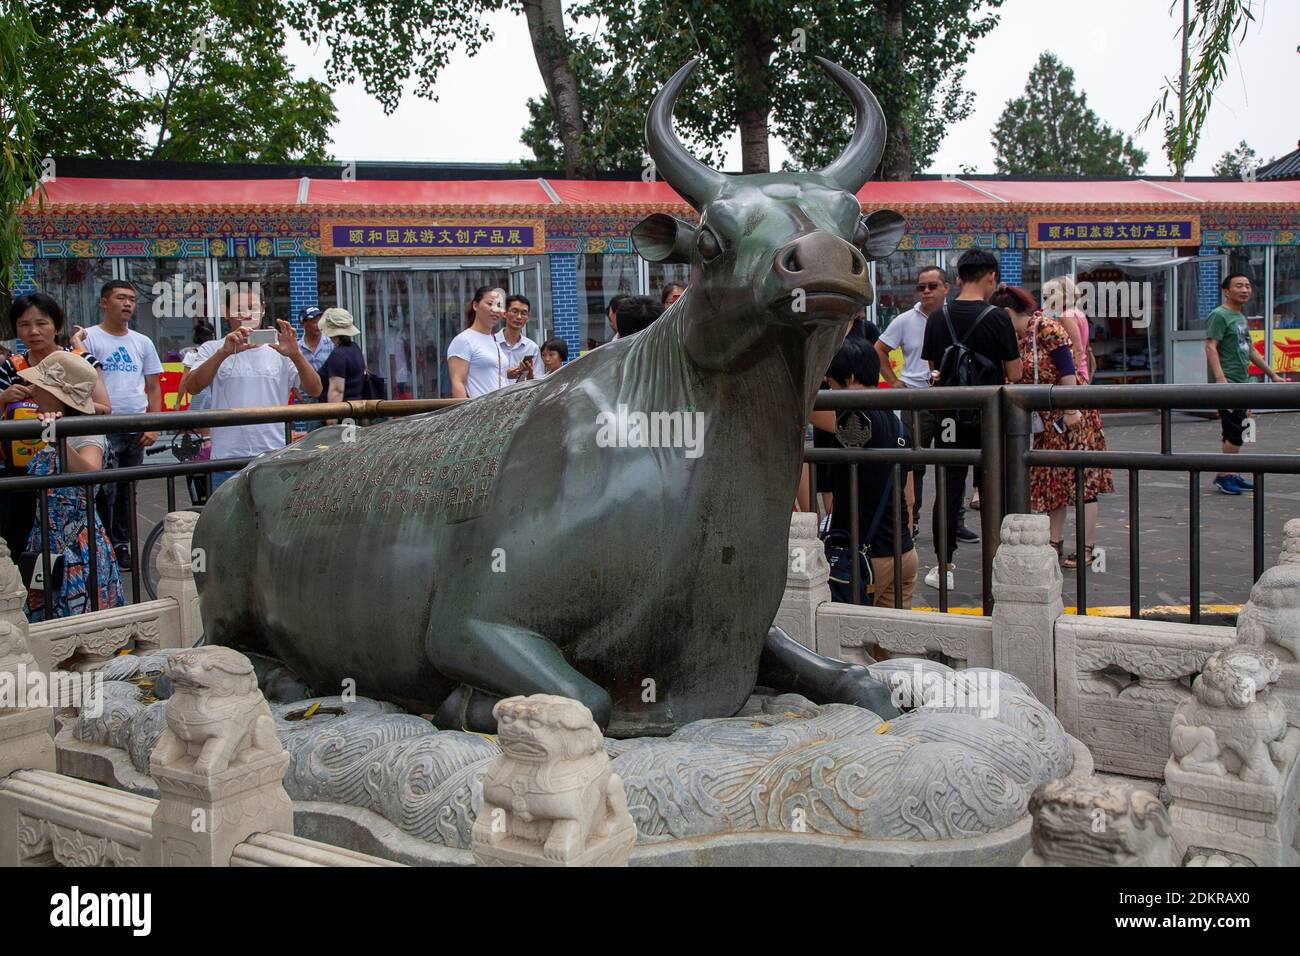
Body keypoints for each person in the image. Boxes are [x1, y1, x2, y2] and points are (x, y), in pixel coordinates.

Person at [920, 249, 1022, 591]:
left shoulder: (937, 317)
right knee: (995, 487)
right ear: (990, 276)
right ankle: (1000, 563)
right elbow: (1014, 372)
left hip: (948, 416)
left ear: (959, 277)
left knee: (948, 490)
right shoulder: (997, 317)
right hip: (989, 416)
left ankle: (943, 566)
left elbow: (934, 366)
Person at [993, 285, 1113, 567]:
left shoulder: (1046, 328)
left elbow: (1068, 370)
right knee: (1052, 482)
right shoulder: (1017, 336)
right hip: (1043, 419)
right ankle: (1053, 542)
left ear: (1008, 312)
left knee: (1082, 480)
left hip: (1068, 414)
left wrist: (1071, 408)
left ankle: (1085, 548)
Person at [0, 293, 113, 560]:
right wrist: (5, 398)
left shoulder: (78, 362)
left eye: (41, 323)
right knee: (24, 543)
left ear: (57, 325)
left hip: (68, 479)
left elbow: (104, 408)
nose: (33, 331)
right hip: (23, 467)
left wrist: (59, 410)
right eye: (24, 325)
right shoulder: (10, 366)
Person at [178, 288, 322, 494]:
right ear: (226, 312)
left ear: (262, 310)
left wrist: (296, 354)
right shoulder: (212, 348)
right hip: (226, 458)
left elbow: (315, 389)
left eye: (252, 307)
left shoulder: (281, 350)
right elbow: (192, 387)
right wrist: (223, 353)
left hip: (273, 457)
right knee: (227, 523)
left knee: (273, 521)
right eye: (238, 308)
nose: (246, 314)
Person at [18, 351, 125, 621]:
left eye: (38, 386)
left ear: (56, 394)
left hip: (76, 542)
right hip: (46, 538)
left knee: (82, 622)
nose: (32, 392)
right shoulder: (54, 424)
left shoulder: (86, 431)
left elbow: (91, 471)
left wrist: (57, 438)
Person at [811, 338, 917, 609]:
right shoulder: (896, 422)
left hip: (867, 559)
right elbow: (910, 494)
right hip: (903, 552)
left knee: (847, 641)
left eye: (830, 383)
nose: (828, 390)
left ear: (851, 377)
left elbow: (802, 407)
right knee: (891, 645)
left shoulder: (854, 417)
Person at [874, 266, 976, 545]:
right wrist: (894, 381)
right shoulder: (905, 320)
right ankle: (911, 519)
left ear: (947, 288)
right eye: (921, 287)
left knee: (952, 464)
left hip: (948, 401)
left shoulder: (956, 318)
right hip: (915, 400)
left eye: (933, 286)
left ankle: (954, 522)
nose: (927, 292)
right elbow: (879, 348)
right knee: (912, 463)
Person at [82, 280, 162, 571]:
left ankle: (122, 545)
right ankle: (100, 545)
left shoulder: (142, 342)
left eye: (131, 299)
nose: (127, 304)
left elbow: (154, 386)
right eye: (120, 298)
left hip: (136, 426)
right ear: (104, 302)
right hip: (103, 427)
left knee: (128, 491)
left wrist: (153, 425)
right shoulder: (88, 338)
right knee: (104, 490)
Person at [1206, 272, 1284, 495]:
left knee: (1237, 428)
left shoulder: (1240, 317)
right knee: (1237, 430)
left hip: (1241, 382)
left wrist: (1272, 374)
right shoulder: (1219, 315)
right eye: (1239, 286)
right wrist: (1221, 381)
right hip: (1229, 382)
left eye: (1248, 286)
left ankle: (1231, 472)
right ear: (1226, 291)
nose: (1245, 290)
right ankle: (1223, 476)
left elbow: (1249, 350)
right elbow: (1211, 347)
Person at [447, 286, 507, 399]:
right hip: (479, 412)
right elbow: (458, 383)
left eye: (499, 306)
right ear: (475, 305)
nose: (495, 310)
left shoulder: (494, 340)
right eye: (490, 304)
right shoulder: (464, 340)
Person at [1041, 275, 1091, 383]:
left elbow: (1077, 349)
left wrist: (1073, 376)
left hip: (1075, 375)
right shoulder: (1078, 313)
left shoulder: (1065, 316)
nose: (1046, 301)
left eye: (1048, 296)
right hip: (1081, 372)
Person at [317, 308, 367, 405]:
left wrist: (332, 418)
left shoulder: (338, 355)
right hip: (355, 409)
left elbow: (337, 390)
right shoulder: (355, 348)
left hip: (342, 414)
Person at [295, 306, 332, 431]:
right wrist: (301, 399)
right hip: (310, 401)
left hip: (329, 399)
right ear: (303, 323)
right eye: (313, 321)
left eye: (319, 320)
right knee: (314, 438)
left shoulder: (330, 343)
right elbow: (292, 375)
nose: (317, 325)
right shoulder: (297, 349)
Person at [497, 294, 544, 382]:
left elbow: (538, 382)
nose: (519, 317)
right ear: (504, 313)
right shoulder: (491, 342)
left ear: (528, 317)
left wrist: (529, 374)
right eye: (514, 311)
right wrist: (504, 374)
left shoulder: (532, 348)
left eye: (523, 313)